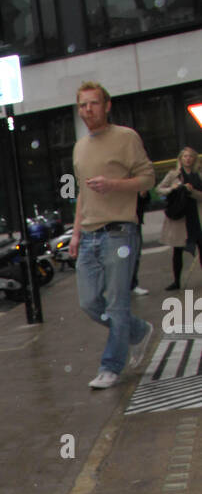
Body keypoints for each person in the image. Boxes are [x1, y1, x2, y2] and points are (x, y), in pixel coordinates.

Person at [69, 82, 155, 389]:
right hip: (89, 235)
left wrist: (114, 184)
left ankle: (110, 367)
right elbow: (81, 194)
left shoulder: (126, 138)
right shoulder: (80, 147)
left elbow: (148, 177)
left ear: (107, 106)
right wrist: (76, 234)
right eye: (82, 105)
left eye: (93, 103)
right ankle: (137, 331)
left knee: (117, 304)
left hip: (120, 232)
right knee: (90, 301)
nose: (87, 110)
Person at [159, 147, 202, 290]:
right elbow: (159, 189)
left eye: (190, 156)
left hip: (196, 215)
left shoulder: (199, 175)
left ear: (194, 159)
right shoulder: (174, 174)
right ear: (180, 159)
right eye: (185, 156)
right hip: (180, 217)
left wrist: (192, 191)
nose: (188, 159)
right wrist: (173, 188)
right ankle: (176, 281)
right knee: (177, 250)